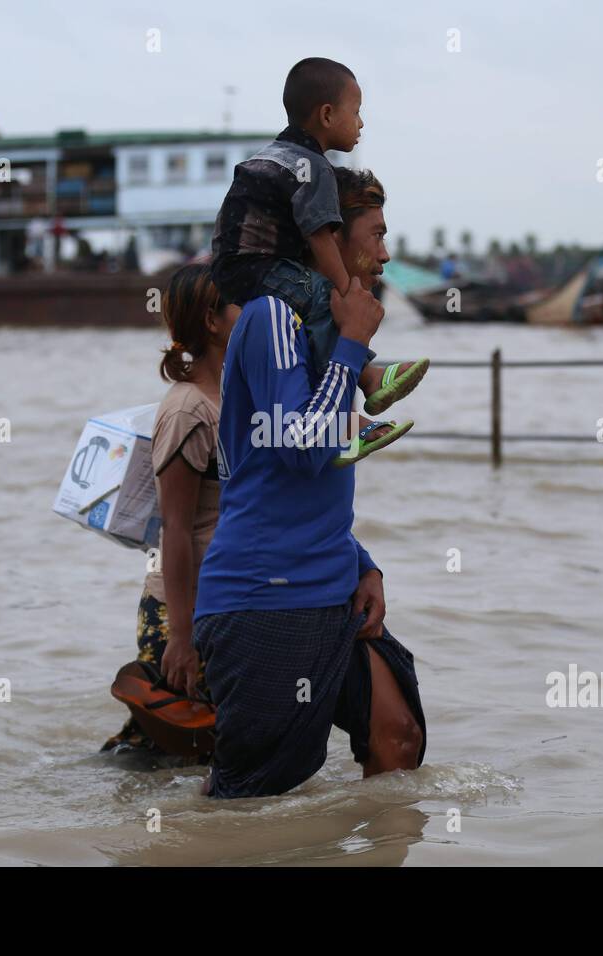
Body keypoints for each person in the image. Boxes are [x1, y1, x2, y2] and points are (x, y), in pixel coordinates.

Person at [193, 166, 426, 798]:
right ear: (325, 239)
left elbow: (310, 480)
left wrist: (364, 564)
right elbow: (302, 449)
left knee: (397, 738)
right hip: (264, 602)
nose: (383, 253)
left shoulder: (321, 333)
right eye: (373, 236)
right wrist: (353, 344)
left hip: (331, 587)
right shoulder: (270, 319)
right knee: (253, 809)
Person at [210, 57, 428, 464]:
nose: (361, 123)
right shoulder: (313, 170)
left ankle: (364, 388)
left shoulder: (278, 154)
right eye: (357, 112)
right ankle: (363, 388)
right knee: (326, 297)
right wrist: (347, 293)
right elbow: (320, 236)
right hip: (254, 266)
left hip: (236, 264)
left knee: (321, 307)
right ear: (327, 115)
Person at [100, 264, 241, 755]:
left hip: (220, 601)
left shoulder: (234, 398)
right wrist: (181, 637)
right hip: (181, 609)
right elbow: (175, 528)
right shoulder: (187, 410)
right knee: (169, 747)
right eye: (239, 303)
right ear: (212, 320)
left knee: (198, 748)